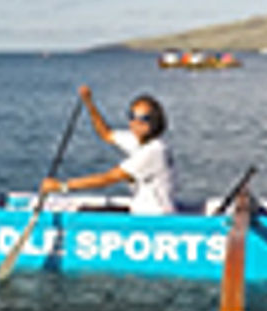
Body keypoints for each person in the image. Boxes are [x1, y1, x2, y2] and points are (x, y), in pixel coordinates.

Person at [42, 85, 177, 214]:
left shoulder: (154, 151)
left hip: (153, 216)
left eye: (144, 118)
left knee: (88, 213)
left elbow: (108, 178)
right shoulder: (137, 140)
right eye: (132, 116)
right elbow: (106, 134)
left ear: (155, 122)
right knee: (86, 209)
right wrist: (89, 103)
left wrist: (62, 186)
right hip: (139, 210)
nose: (136, 122)